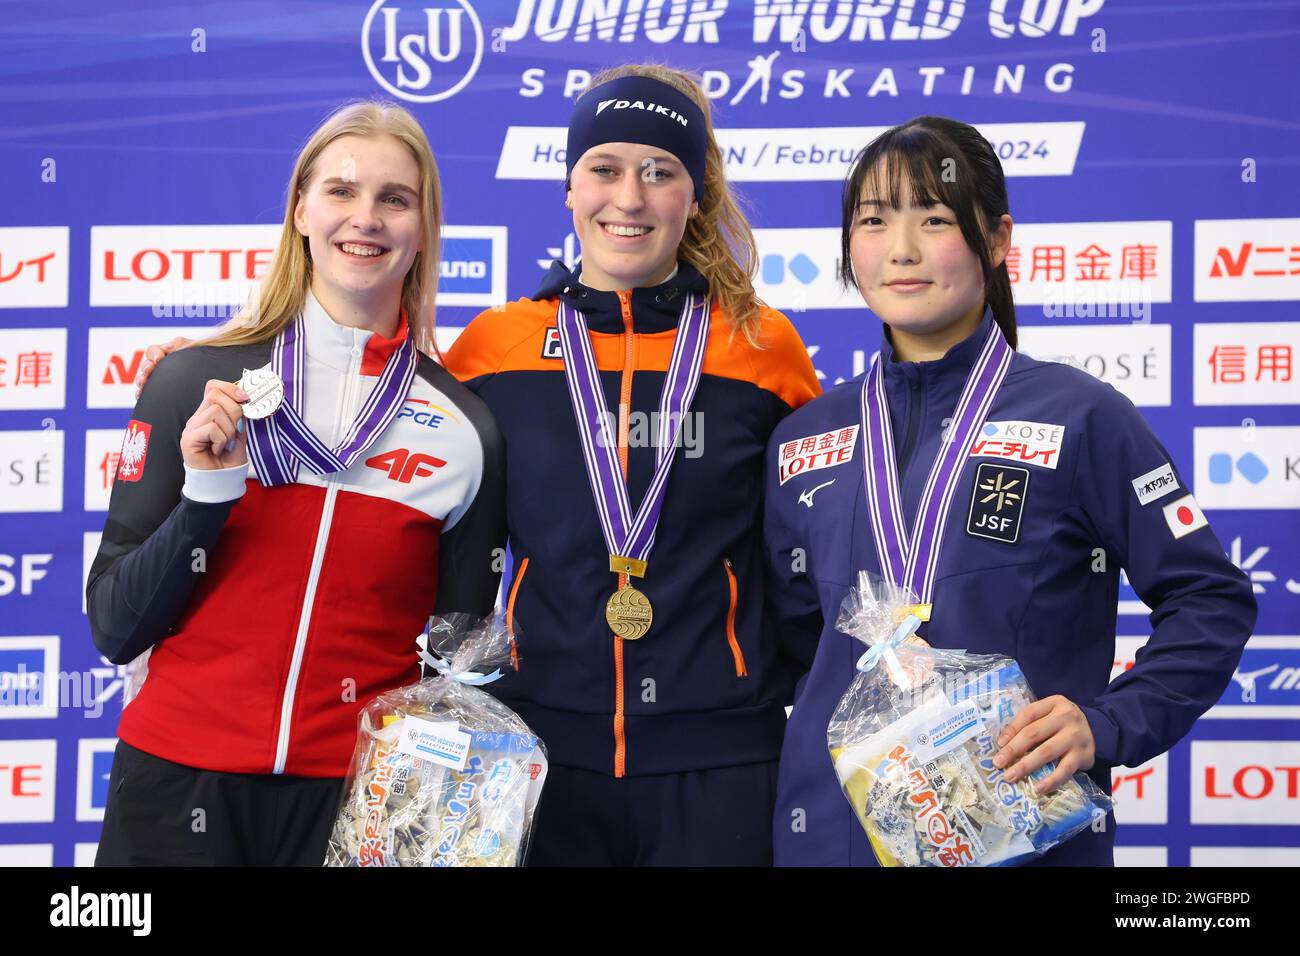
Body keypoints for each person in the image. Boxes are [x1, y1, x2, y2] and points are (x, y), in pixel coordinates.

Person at [763, 115, 1257, 866]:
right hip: (835, 838)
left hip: (1023, 838)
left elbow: (1210, 597)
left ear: (996, 240)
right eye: (874, 220)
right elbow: (798, 643)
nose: (901, 248)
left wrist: (1109, 722)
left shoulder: (1081, 417)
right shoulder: (803, 439)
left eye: (934, 218)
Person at [87, 101, 505, 866]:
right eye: (341, 191)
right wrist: (207, 497)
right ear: (301, 211)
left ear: (423, 227)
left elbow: (454, 672)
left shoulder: (464, 428)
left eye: (395, 198)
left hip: (354, 800)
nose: (366, 218)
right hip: (175, 786)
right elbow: (114, 627)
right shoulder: (192, 382)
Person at [442, 64, 821, 865]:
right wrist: (227, 372)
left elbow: (817, 541)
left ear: (695, 196)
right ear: (569, 189)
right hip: (537, 758)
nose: (630, 198)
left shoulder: (762, 349)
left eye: (660, 172)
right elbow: (391, 476)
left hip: (722, 762)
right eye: (605, 169)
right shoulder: (492, 350)